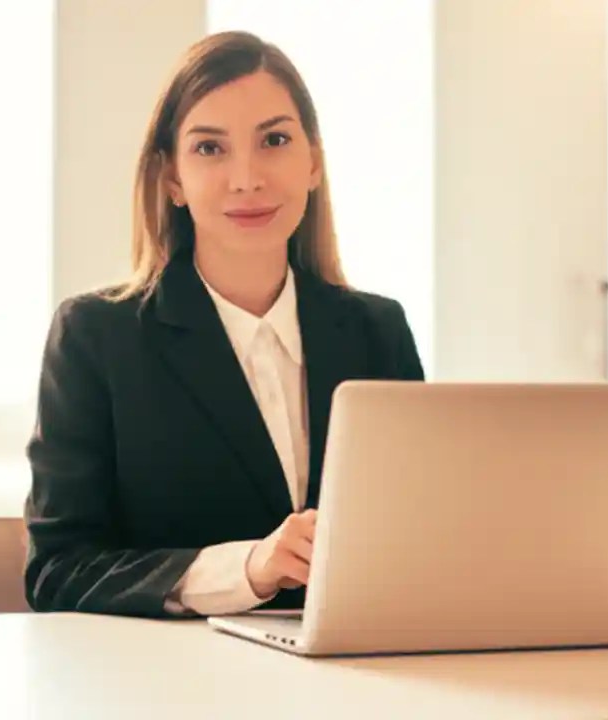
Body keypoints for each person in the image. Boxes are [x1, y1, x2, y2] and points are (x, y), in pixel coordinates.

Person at [23, 31, 424, 618]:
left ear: (313, 161)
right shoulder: (95, 337)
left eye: (275, 140)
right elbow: (58, 571)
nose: (247, 177)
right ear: (172, 179)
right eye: (210, 149)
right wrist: (246, 570)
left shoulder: (377, 331)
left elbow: (418, 542)